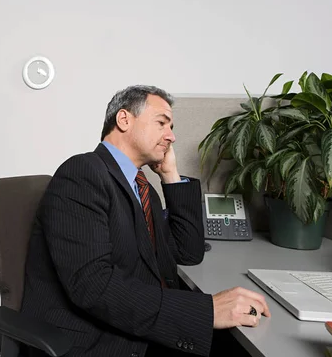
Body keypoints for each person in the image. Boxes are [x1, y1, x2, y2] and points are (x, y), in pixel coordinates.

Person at [20, 85, 271, 356]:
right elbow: (93, 287)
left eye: (171, 127)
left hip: (135, 319)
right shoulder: (83, 174)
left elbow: (187, 253)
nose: (172, 136)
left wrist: (171, 176)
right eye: (162, 123)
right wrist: (206, 311)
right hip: (97, 340)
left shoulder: (142, 187)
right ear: (124, 119)